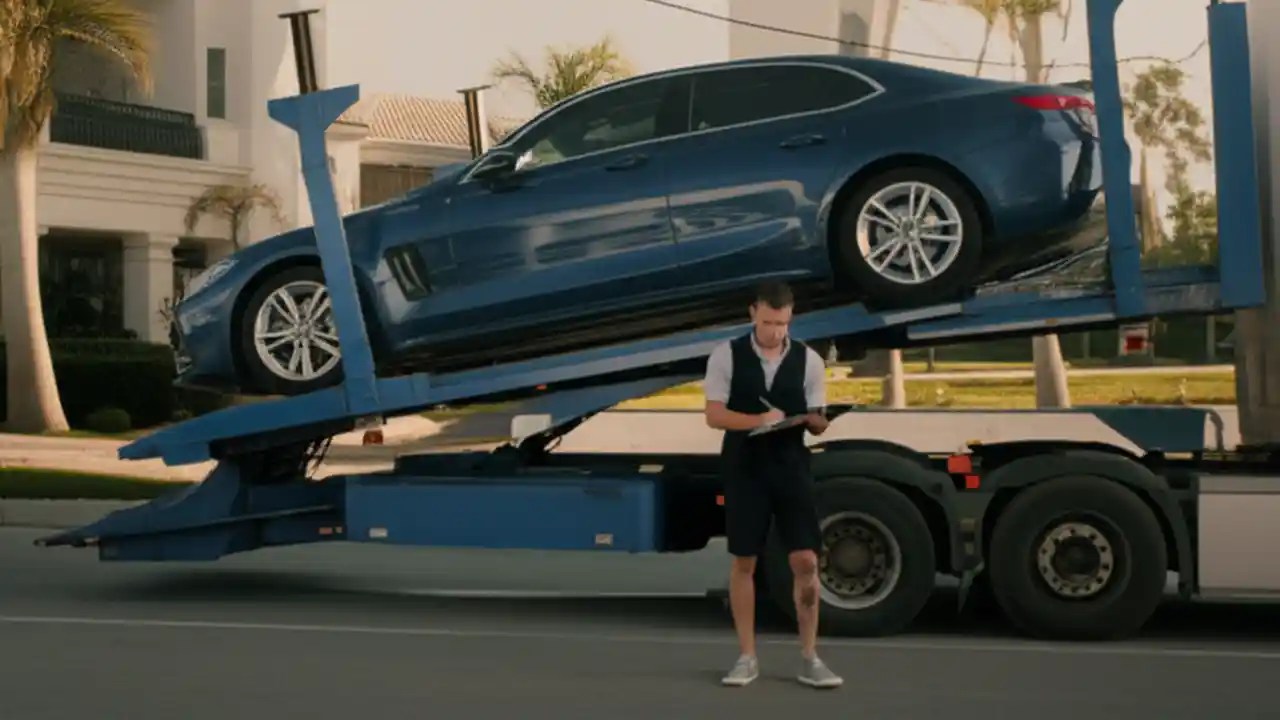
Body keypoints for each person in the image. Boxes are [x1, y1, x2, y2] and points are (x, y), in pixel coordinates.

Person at [702, 281, 843, 689]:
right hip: (745, 467)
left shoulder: (809, 360)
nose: (775, 331)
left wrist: (818, 422)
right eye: (767, 322)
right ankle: (747, 656)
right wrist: (757, 421)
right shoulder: (726, 355)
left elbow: (814, 415)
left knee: (805, 561)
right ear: (752, 314)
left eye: (782, 323)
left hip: (791, 466)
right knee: (745, 560)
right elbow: (714, 415)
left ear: (790, 318)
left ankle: (810, 657)